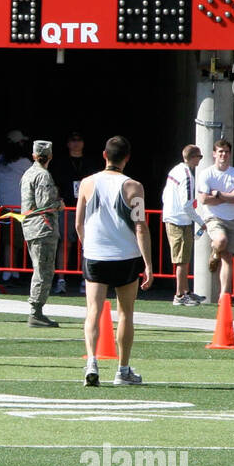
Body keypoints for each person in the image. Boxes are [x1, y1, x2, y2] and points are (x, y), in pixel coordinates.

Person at [76, 135, 153, 386]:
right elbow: (140, 226)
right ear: (127, 158)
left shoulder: (87, 183)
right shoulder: (134, 187)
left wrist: (88, 245)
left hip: (96, 254)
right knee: (126, 313)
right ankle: (123, 369)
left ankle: (91, 362)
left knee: (93, 312)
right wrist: (149, 264)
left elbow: (78, 222)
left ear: (104, 155)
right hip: (126, 257)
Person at [195, 138, 234, 296]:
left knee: (228, 258)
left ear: (230, 154)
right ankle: (215, 251)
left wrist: (218, 194)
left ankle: (223, 295)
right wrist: (228, 196)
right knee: (221, 241)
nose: (223, 155)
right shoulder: (207, 174)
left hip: (233, 219)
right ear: (214, 154)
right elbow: (203, 199)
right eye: (220, 152)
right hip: (214, 217)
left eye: (226, 152)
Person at [20, 139, 62, 326]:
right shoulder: (43, 175)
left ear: (34, 156)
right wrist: (59, 204)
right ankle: (36, 311)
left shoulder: (28, 173)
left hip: (31, 227)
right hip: (43, 228)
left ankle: (36, 310)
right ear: (51, 156)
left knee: (40, 268)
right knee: (44, 271)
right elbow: (45, 203)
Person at [162, 144, 204, 306]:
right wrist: (200, 221)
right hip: (179, 220)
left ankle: (186, 291)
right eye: (199, 157)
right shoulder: (187, 175)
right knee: (181, 259)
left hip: (174, 217)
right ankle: (179, 295)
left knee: (183, 258)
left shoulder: (175, 170)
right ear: (193, 157)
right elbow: (187, 204)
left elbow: (165, 196)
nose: (200, 160)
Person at [52, 130, 92, 294]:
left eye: (79, 139)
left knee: (87, 245)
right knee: (64, 244)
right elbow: (54, 185)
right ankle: (61, 280)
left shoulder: (90, 163)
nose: (76, 143)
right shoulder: (61, 163)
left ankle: (86, 280)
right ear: (68, 144)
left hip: (87, 208)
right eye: (72, 140)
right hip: (67, 207)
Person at [0, 129, 30, 283]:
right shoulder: (24, 162)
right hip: (17, 208)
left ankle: (11, 271)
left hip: (3, 206)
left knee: (9, 242)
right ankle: (9, 273)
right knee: (12, 242)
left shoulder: (1, 159)